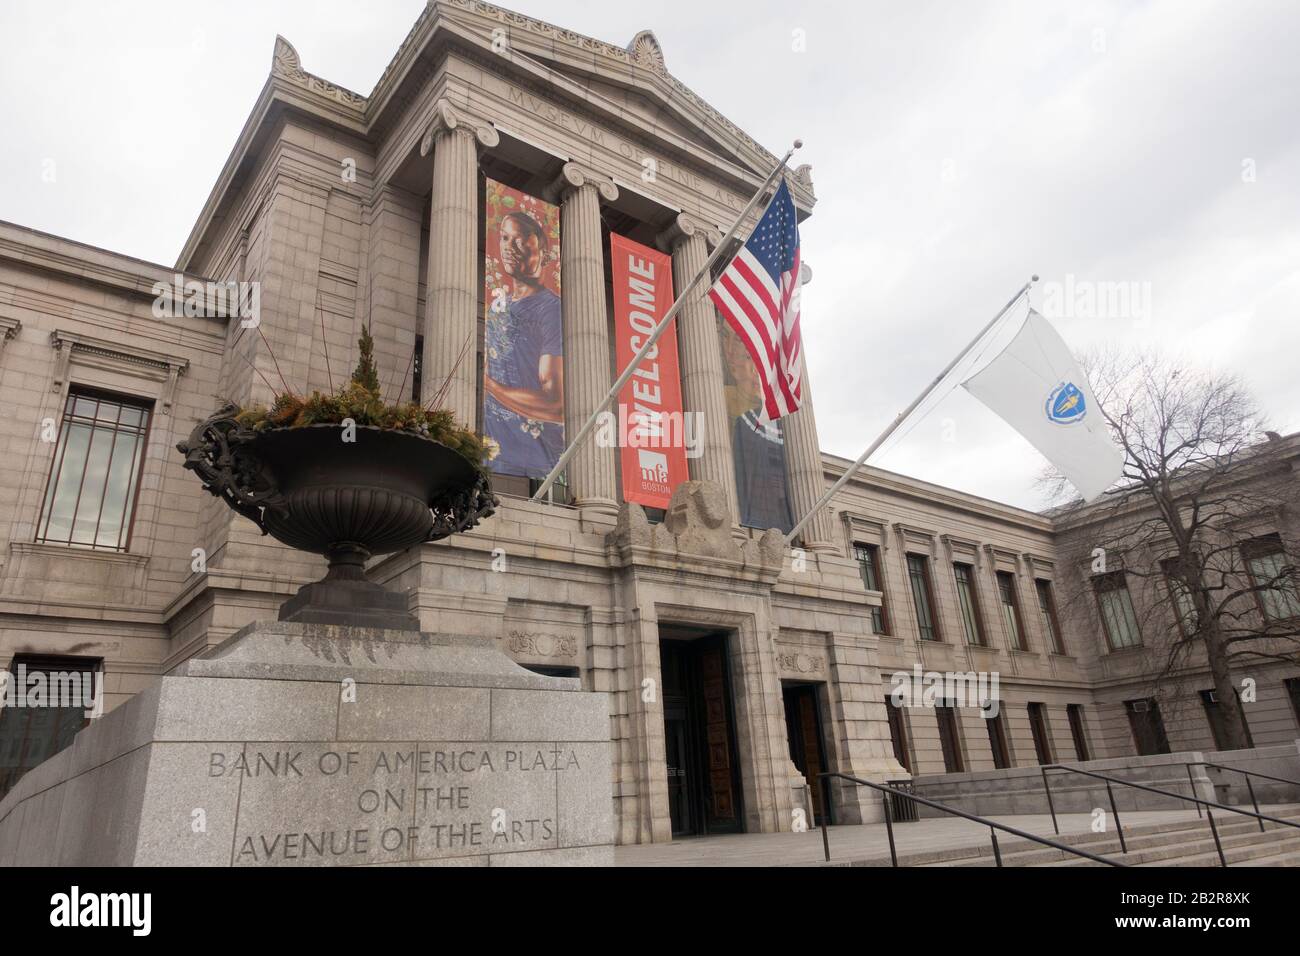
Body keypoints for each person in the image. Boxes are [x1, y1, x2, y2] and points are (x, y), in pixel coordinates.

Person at [483, 209, 564, 478]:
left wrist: (488, 384)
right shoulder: (498, 307)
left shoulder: (551, 310)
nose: (509, 247)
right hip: (490, 457)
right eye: (505, 238)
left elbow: (556, 404)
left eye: (519, 239)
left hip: (534, 461)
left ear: (542, 245)